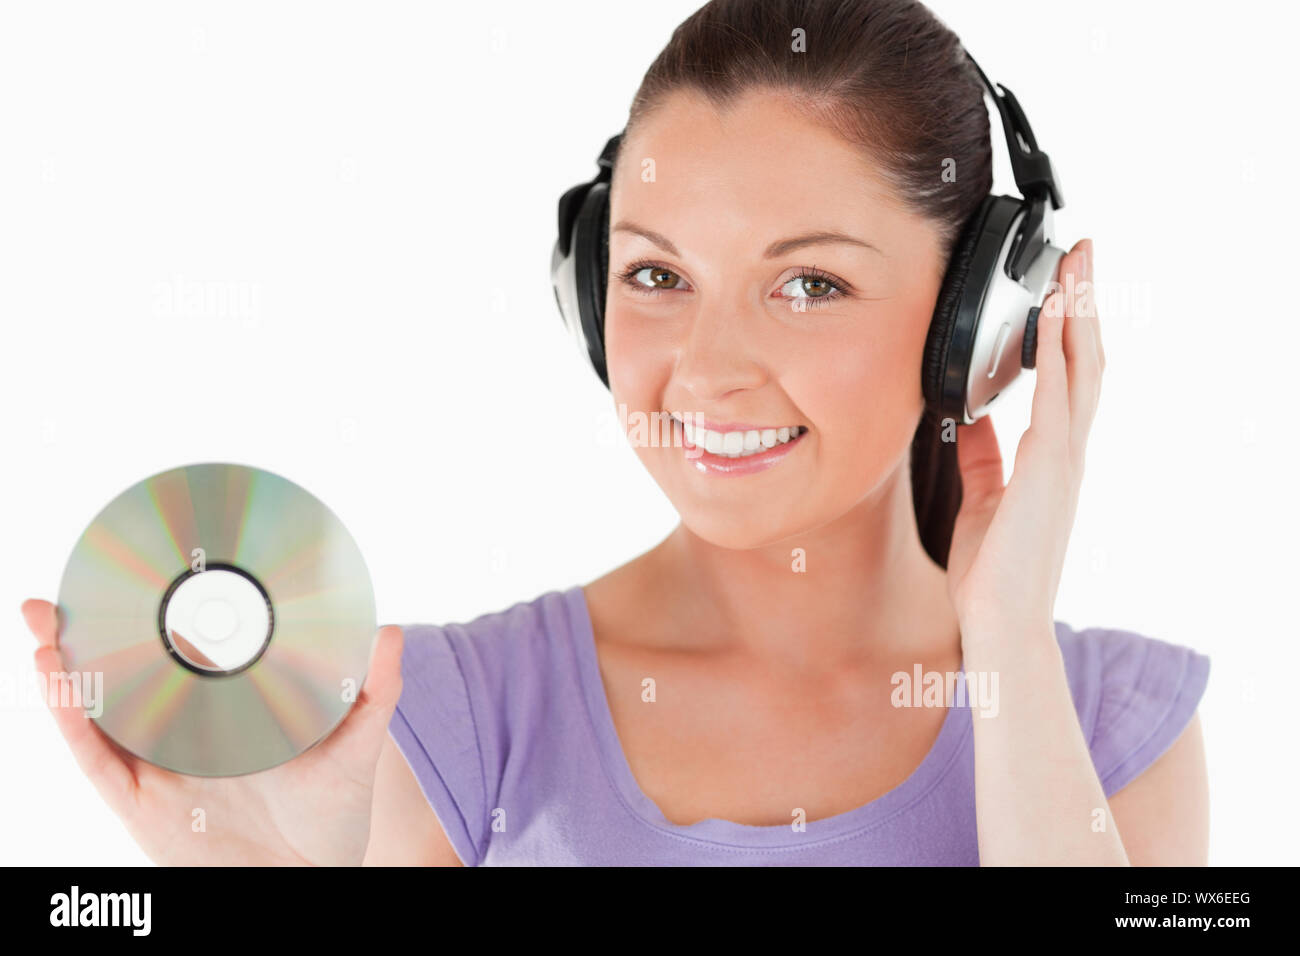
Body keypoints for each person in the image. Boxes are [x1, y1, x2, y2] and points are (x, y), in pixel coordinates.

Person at [22, 0, 1209, 866]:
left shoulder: (1115, 724)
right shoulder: (440, 712)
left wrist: (1005, 645)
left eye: (808, 285)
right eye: (654, 273)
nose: (703, 366)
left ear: (980, 328)